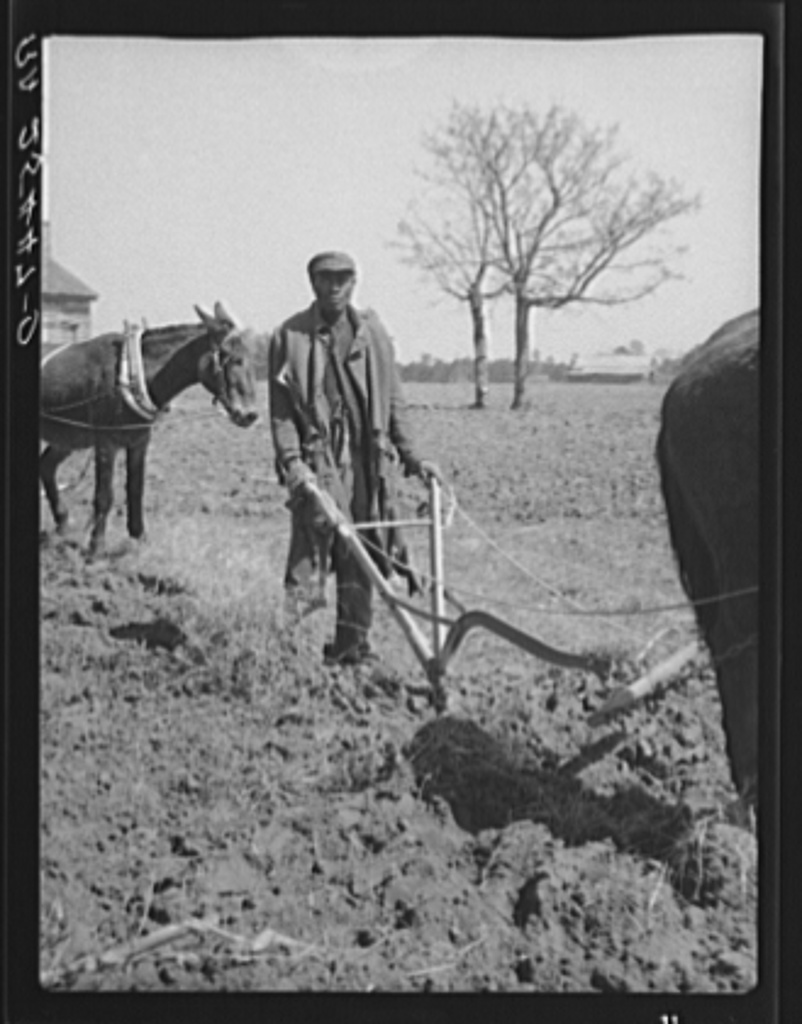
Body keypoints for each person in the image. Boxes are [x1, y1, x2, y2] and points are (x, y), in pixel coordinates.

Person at [268, 251, 442, 666]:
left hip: (369, 460)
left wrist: (414, 458)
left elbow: (395, 401)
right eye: (326, 279)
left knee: (365, 549)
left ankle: (352, 646)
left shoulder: (373, 333)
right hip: (322, 460)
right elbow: (281, 411)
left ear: (354, 283)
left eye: (343, 279)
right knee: (313, 550)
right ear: (312, 283)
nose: (335, 287)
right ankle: (278, 651)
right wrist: (293, 462)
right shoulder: (289, 337)